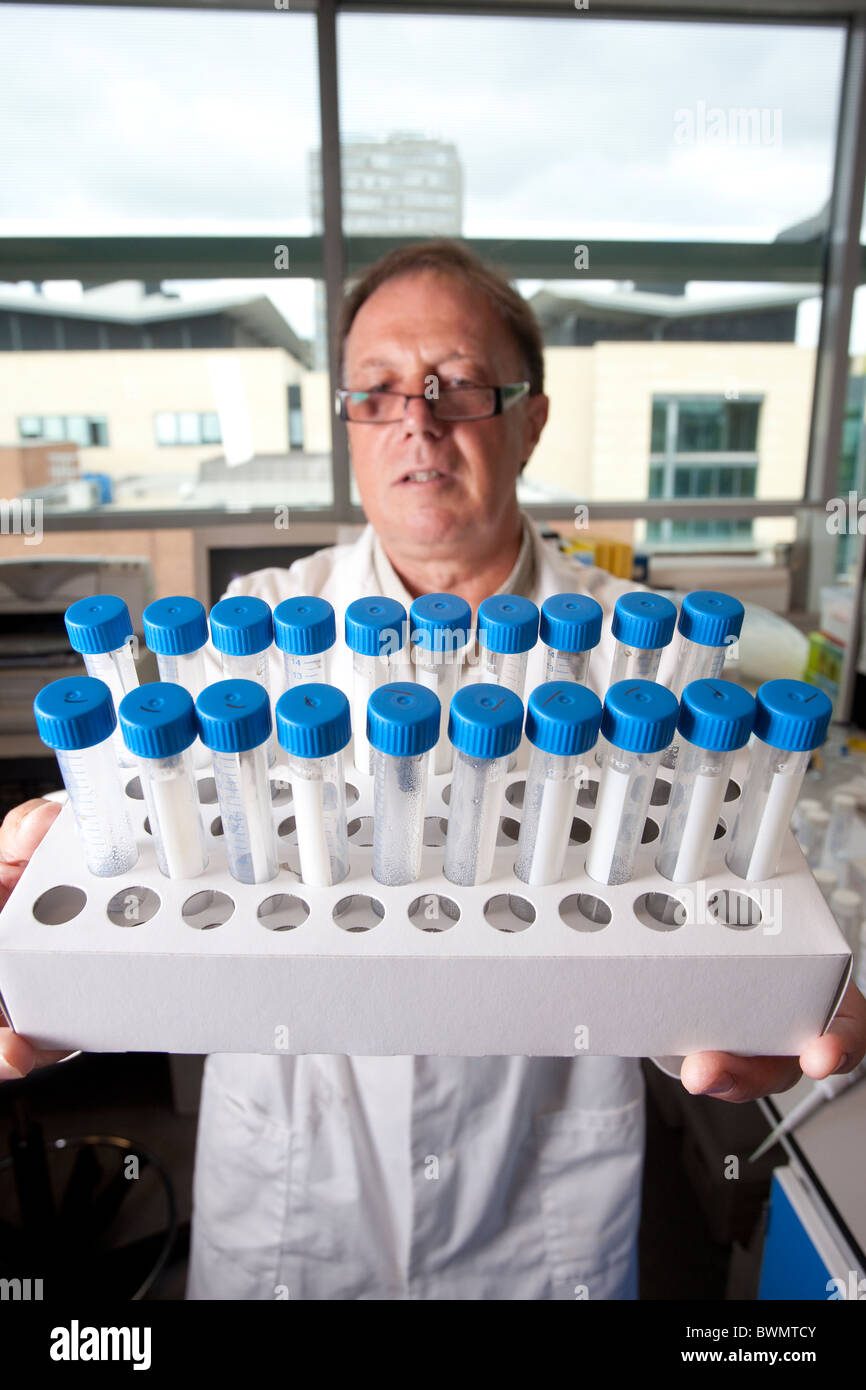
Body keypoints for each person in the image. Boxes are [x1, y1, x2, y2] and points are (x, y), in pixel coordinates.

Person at [1, 240, 863, 1300]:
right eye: (375, 390)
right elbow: (129, 813)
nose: (416, 417)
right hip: (295, 1192)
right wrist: (55, 875)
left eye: (454, 382)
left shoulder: (649, 659)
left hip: (533, 1195)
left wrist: (761, 988)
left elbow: (696, 881)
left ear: (530, 417)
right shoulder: (242, 632)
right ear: (349, 424)